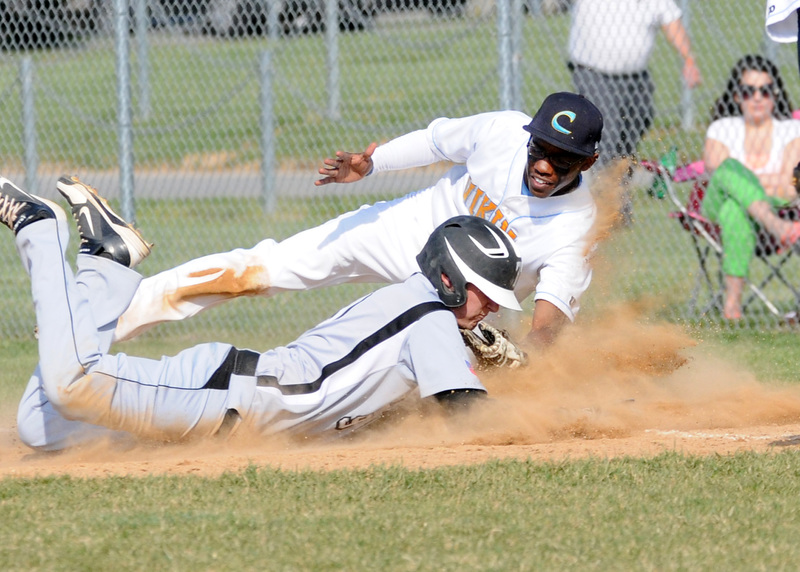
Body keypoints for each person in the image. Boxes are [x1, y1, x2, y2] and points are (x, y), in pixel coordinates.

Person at [5, 175, 523, 451]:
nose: (494, 306)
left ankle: (106, 264)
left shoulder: (419, 307)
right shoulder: (429, 317)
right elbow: (468, 415)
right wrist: (571, 418)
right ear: (450, 279)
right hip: (224, 395)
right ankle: (40, 228)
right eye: (486, 293)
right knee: (70, 385)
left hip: (226, 417)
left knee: (37, 424)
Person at [111, 91, 603, 349]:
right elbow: (435, 142)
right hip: (402, 231)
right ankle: (109, 320)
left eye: (563, 159)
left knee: (381, 373)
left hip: (460, 305)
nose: (543, 164)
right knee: (266, 267)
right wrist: (373, 164)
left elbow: (550, 318)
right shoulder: (502, 132)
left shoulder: (576, 226)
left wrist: (525, 358)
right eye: (541, 147)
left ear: (587, 163)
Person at [702, 54, 800, 320]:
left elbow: (790, 187)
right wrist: (771, 179)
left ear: (775, 94)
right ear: (736, 96)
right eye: (748, 91)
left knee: (736, 209)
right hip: (718, 205)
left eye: (765, 90)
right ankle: (774, 225)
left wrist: (746, 186)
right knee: (730, 169)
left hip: (772, 208)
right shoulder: (721, 128)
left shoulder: (792, 130)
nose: (757, 97)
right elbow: (716, 171)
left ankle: (731, 306)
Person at [567, 0, 702, 167]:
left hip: (636, 76)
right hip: (593, 73)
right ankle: (599, 182)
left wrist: (688, 59)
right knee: (607, 129)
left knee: (641, 117)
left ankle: (618, 171)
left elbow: (671, 21)